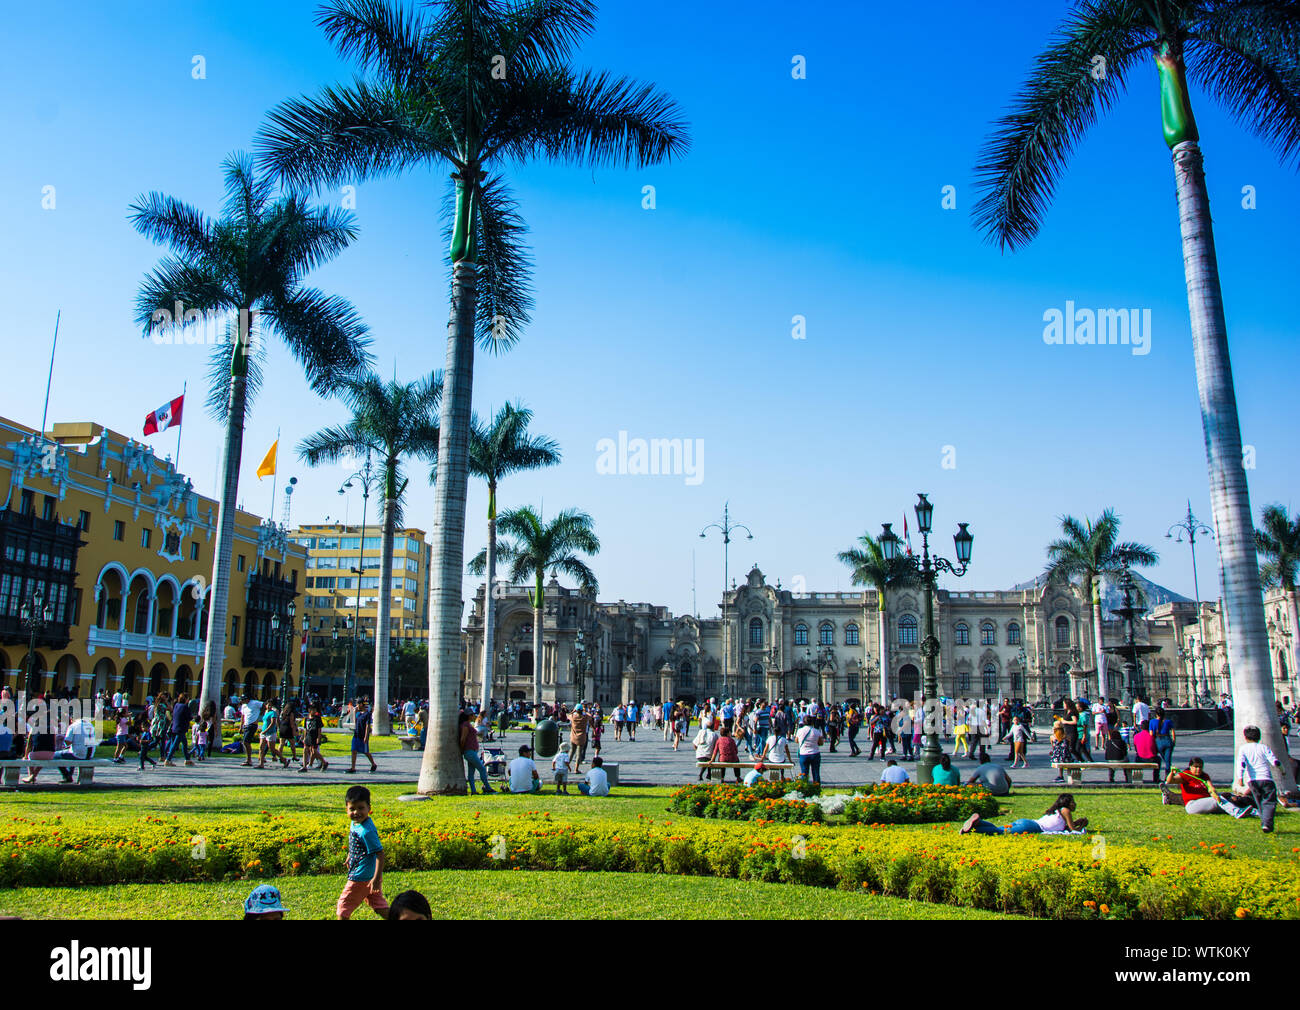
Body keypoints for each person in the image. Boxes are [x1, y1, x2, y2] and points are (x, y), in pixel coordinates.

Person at [337, 785, 388, 919]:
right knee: (379, 905)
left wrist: (376, 879)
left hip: (361, 876)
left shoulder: (366, 831)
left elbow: (380, 854)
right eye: (352, 809)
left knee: (343, 907)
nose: (356, 812)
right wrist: (350, 855)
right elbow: (357, 843)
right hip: (368, 875)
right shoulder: (356, 823)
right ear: (346, 809)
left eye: (361, 808)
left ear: (369, 808)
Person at [961, 794, 1087, 835]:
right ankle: (974, 829)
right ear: (1068, 803)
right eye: (1073, 802)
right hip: (1032, 827)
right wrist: (1081, 826)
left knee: (1000, 829)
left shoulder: (1059, 812)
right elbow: (1072, 830)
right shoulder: (1066, 811)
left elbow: (1063, 826)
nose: (1075, 804)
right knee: (999, 832)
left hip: (1027, 822)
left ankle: (978, 823)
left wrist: (1077, 822)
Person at [1236, 725, 1284, 833]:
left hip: (1252, 780)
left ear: (1245, 737)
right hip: (1266, 779)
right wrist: (1282, 770)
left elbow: (1241, 763)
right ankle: (1267, 824)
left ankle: (1264, 823)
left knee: (1259, 802)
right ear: (1259, 737)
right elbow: (1275, 761)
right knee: (1269, 802)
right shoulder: (1264, 748)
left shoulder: (1243, 748)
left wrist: (1240, 778)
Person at [458, 711, 493, 795]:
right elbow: (463, 739)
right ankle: (487, 787)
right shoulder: (466, 725)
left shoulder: (468, 724)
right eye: (473, 714)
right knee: (482, 768)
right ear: (469, 716)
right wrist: (462, 749)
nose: (474, 716)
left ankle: (473, 790)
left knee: (471, 772)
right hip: (469, 751)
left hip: (472, 750)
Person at [348, 698, 378, 774]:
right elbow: (355, 723)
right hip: (356, 734)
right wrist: (354, 713)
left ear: (361, 704)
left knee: (366, 752)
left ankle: (373, 764)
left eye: (357, 704)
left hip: (362, 735)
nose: (356, 705)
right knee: (353, 750)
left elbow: (368, 726)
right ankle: (353, 767)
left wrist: (366, 737)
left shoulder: (367, 714)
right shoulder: (358, 713)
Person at [163, 693, 194, 766]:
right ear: (185, 699)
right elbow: (189, 717)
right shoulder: (185, 707)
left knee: (184, 744)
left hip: (175, 726)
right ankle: (168, 759)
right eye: (188, 699)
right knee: (175, 744)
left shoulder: (176, 705)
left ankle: (187, 759)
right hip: (181, 728)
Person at [795, 715, 824, 785]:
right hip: (815, 753)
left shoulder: (800, 731)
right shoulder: (816, 731)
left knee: (804, 773)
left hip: (803, 754)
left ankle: (804, 789)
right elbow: (821, 743)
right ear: (812, 722)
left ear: (804, 722)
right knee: (816, 773)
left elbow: (796, 741)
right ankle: (816, 788)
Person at [301, 702, 329, 772]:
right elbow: (305, 729)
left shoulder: (317, 719)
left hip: (314, 736)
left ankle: (324, 762)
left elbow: (319, 729)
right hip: (308, 736)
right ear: (309, 710)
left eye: (315, 710)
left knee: (314, 751)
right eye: (312, 710)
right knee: (305, 750)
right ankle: (304, 766)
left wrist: (319, 738)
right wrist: (304, 737)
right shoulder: (307, 718)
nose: (314, 711)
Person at [1151, 706, 1176, 779]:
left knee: (1163, 758)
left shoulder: (1152, 721)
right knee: (1168, 760)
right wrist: (1174, 740)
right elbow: (1172, 731)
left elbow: (1151, 734)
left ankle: (1159, 775)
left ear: (1156, 714)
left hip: (1159, 740)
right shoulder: (1168, 721)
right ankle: (1168, 776)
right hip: (1167, 739)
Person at [239, 695, 263, 766]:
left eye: (243, 700)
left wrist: (260, 713)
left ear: (247, 699)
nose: (242, 701)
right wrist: (241, 726)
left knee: (246, 742)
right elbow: (242, 716)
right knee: (246, 742)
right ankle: (248, 759)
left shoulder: (255, 703)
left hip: (252, 725)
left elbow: (264, 705)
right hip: (246, 725)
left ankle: (249, 760)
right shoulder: (244, 706)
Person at [569, 703, 590, 772]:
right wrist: (585, 711)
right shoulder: (584, 718)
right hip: (581, 738)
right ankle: (576, 769)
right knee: (579, 754)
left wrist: (573, 711)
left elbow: (568, 715)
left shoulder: (573, 717)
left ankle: (566, 765)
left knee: (571, 752)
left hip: (573, 737)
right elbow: (590, 716)